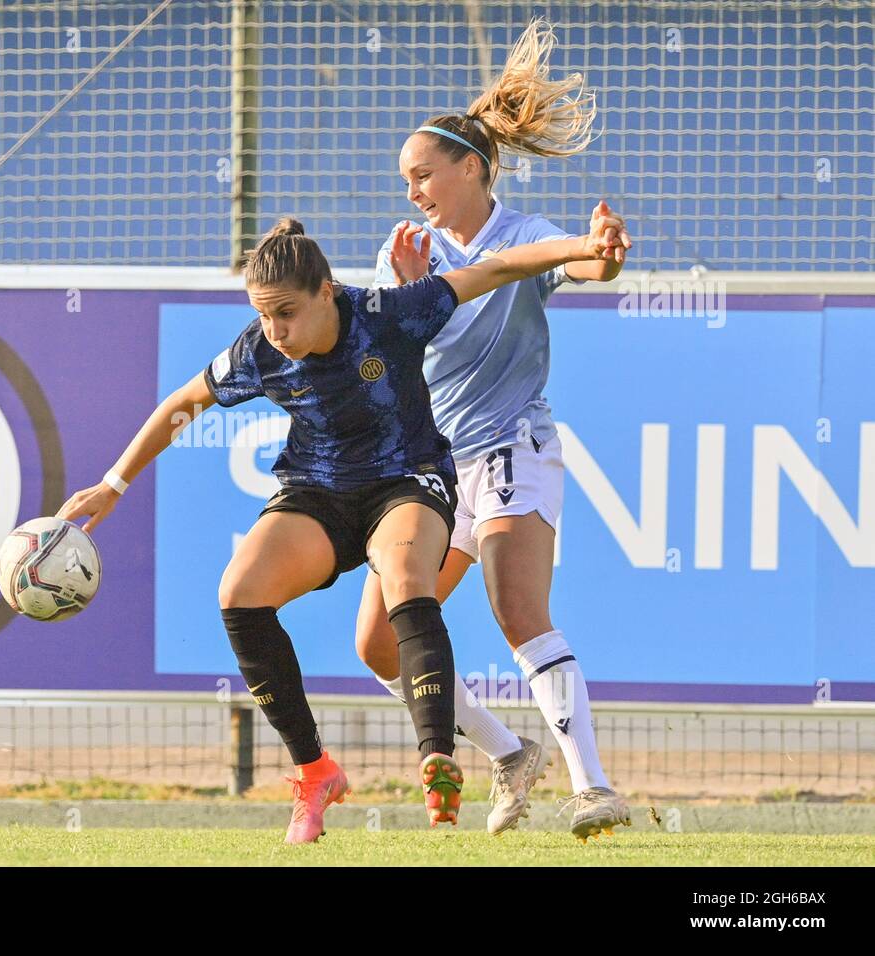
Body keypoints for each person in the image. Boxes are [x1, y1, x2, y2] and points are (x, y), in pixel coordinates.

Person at [57, 213, 626, 844]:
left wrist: (581, 247)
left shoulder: (389, 313)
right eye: (263, 314)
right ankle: (315, 771)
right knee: (239, 595)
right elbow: (182, 404)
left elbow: (494, 269)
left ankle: (437, 754)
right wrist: (113, 483)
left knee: (407, 577)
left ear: (327, 292)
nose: (276, 331)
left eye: (286, 313)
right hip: (319, 492)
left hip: (409, 480)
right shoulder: (259, 350)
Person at [356, 17, 633, 842]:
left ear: (470, 168)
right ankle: (510, 755)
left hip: (512, 443)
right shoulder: (405, 250)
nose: (413, 192)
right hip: (434, 473)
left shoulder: (526, 235)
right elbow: (388, 358)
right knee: (377, 644)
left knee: (519, 611)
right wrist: (409, 300)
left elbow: (583, 262)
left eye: (423, 174)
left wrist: (606, 252)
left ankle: (595, 790)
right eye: (406, 180)